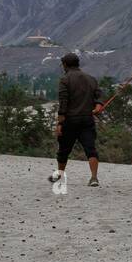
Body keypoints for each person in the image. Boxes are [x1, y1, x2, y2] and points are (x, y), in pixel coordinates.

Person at [49, 52, 102, 187]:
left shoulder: (65, 80)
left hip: (70, 121)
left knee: (64, 150)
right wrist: (98, 105)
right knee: (91, 149)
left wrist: (60, 123)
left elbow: (63, 103)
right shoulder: (91, 79)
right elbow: (98, 97)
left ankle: (59, 175)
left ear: (65, 65)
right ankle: (94, 178)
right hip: (87, 119)